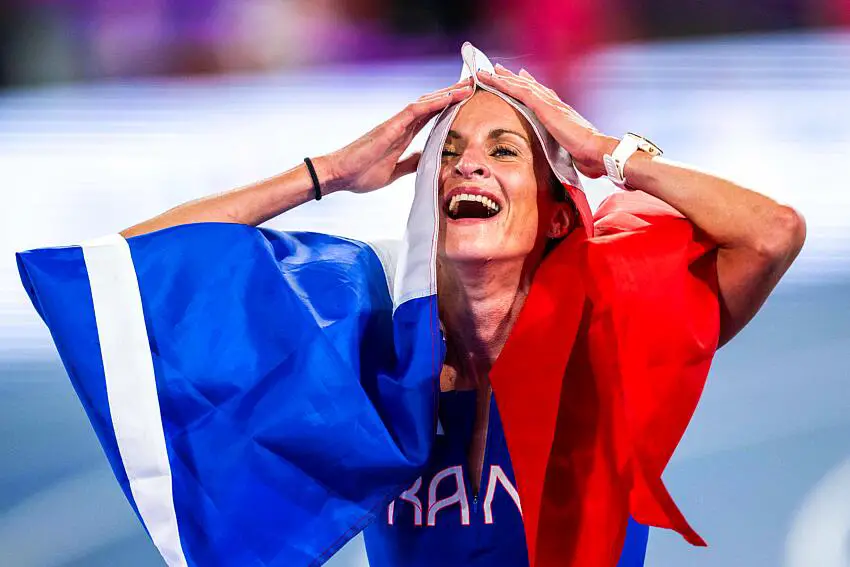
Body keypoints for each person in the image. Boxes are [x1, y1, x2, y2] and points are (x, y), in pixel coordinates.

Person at [60, 51, 806, 567]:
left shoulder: (608, 338)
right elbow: (135, 265)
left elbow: (772, 232)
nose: (468, 163)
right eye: (450, 153)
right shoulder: (374, 355)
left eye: (504, 150)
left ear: (556, 215)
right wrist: (328, 174)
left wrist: (602, 148)